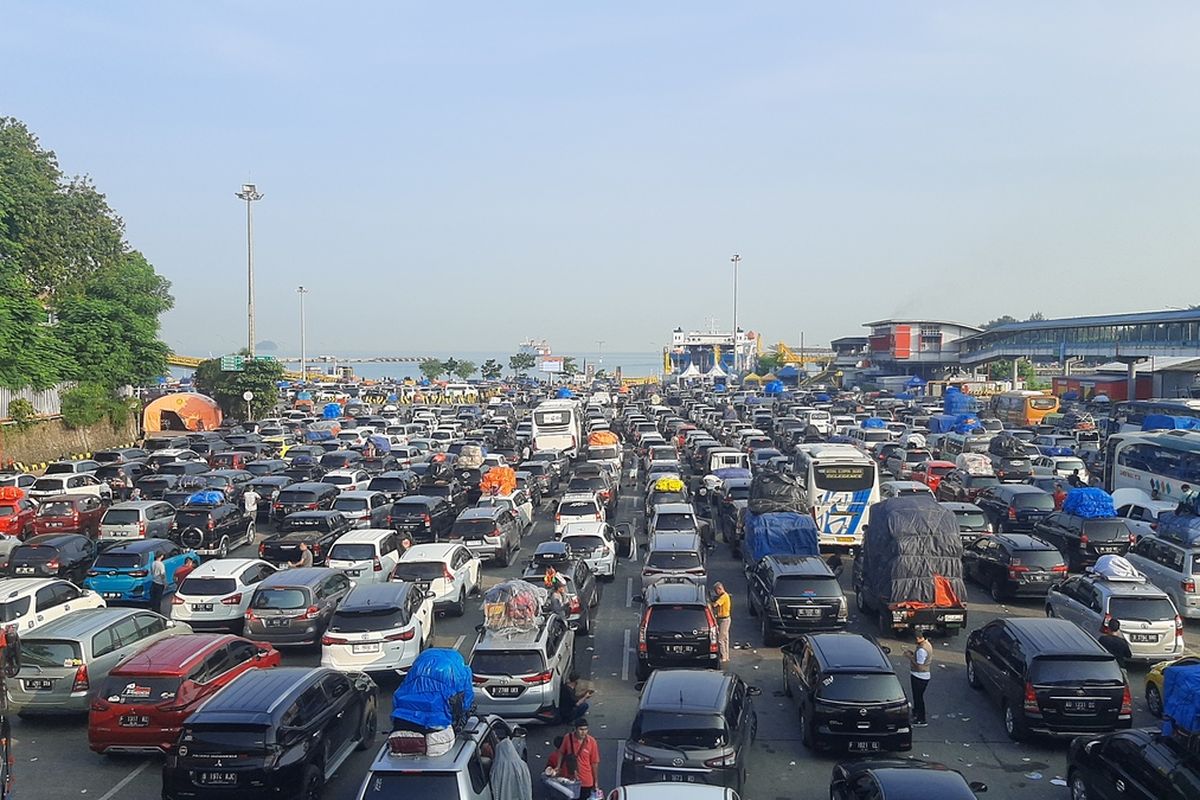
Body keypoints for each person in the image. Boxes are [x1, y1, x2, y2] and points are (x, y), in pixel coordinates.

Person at [545, 718, 600, 799]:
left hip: (585, 780)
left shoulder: (592, 742)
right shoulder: (568, 738)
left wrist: (595, 781)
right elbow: (561, 752)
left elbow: (594, 763)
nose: (583, 732)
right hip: (570, 779)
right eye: (581, 729)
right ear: (575, 729)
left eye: (585, 729)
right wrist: (558, 766)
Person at [905, 631, 933, 727]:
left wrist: (909, 657)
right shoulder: (927, 644)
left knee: (918, 698)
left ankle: (921, 719)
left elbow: (920, 666)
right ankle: (916, 713)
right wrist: (913, 654)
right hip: (923, 676)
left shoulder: (922, 650)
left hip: (919, 676)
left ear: (918, 638)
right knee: (917, 697)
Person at [711, 582, 731, 667]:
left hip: (723, 620)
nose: (716, 593)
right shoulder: (725, 595)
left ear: (720, 589)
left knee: (720, 639)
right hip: (726, 619)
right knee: (725, 638)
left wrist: (710, 604)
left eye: (716, 591)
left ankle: (723, 657)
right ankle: (726, 656)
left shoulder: (723, 597)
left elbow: (715, 605)